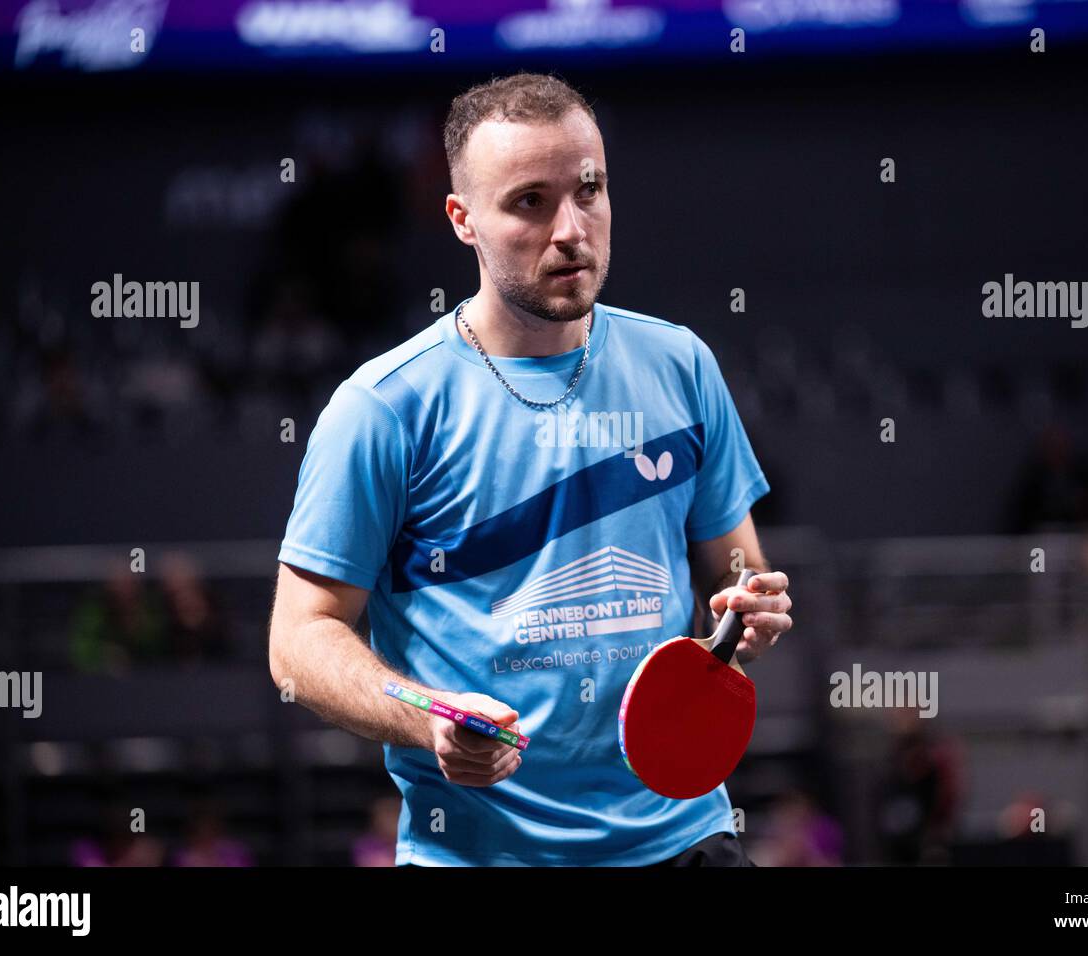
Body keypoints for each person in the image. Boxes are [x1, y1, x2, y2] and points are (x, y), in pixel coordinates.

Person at [269, 73, 794, 866]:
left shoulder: (681, 366)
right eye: (529, 202)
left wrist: (746, 608)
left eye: (589, 190)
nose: (571, 230)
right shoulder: (383, 410)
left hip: (684, 841)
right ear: (463, 220)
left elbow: (735, 565)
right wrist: (428, 715)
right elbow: (298, 640)